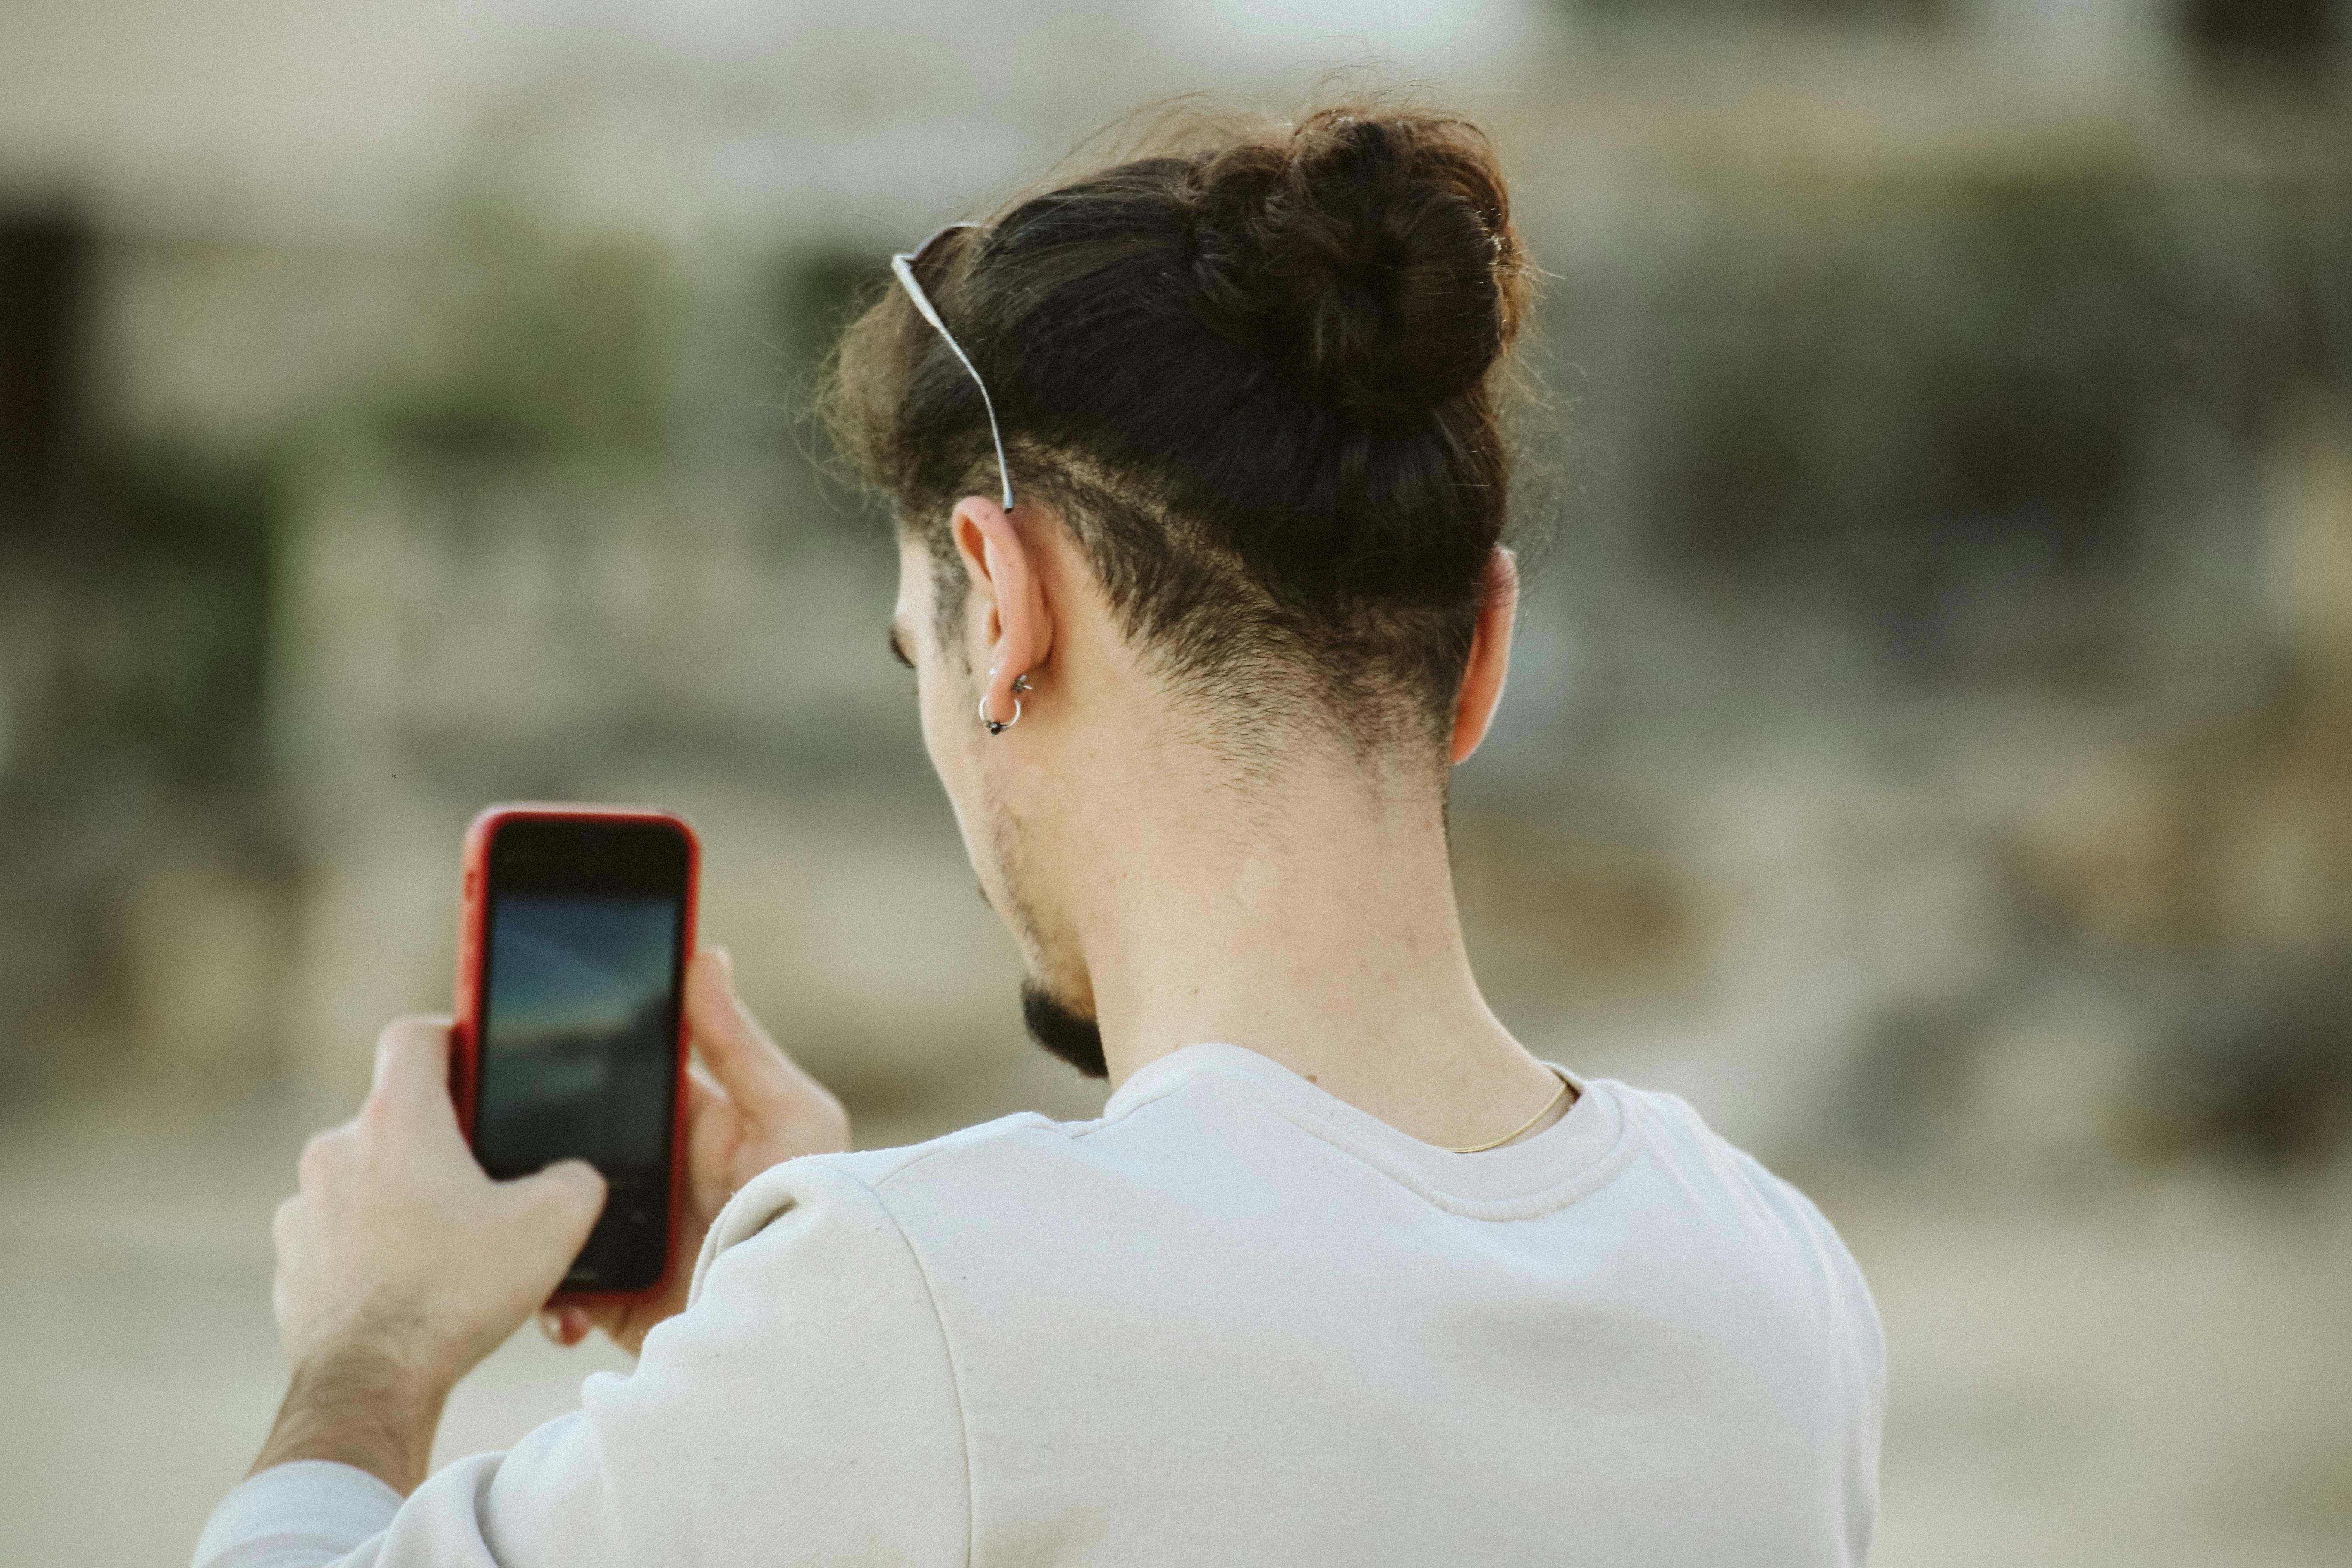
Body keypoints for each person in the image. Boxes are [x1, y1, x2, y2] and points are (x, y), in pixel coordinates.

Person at [196, 103, 1883, 1568]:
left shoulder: (922, 1309)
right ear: (1483, 653)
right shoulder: (1782, 1289)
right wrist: (777, 1363)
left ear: (1000, 611)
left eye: (911, 646)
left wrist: (371, 1350)